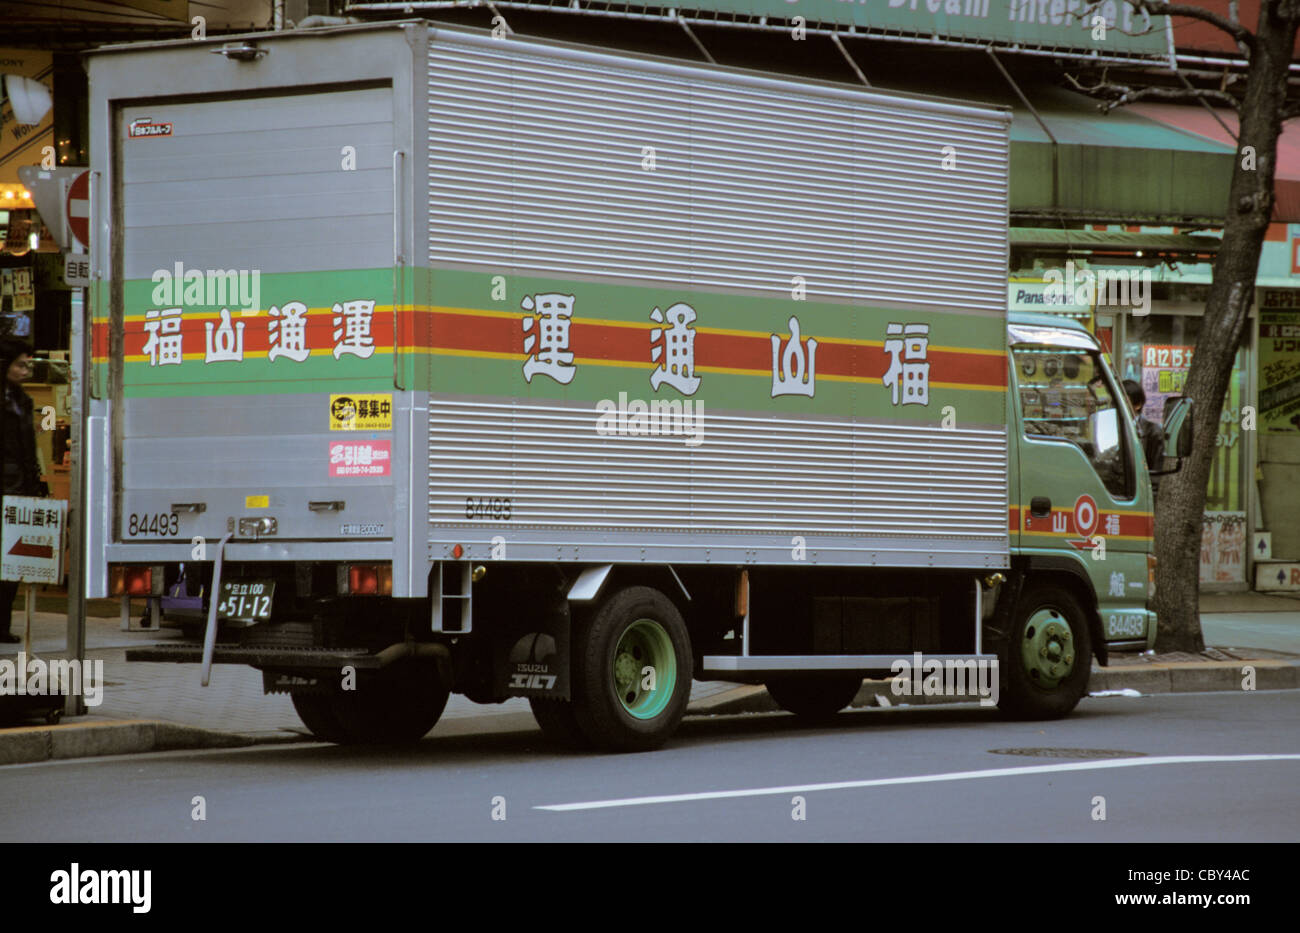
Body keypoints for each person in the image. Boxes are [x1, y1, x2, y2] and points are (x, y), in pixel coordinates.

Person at [0, 339, 47, 643]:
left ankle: (2, 625)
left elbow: (29, 448)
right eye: (20, 364)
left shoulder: (23, 400)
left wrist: (36, 484)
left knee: (12, 560)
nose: (26, 369)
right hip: (6, 486)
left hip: (18, 490)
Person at [1123, 379, 1165, 491]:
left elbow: (1156, 472)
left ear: (1137, 405)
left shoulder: (1153, 432)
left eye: (1124, 402)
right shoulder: (1110, 427)